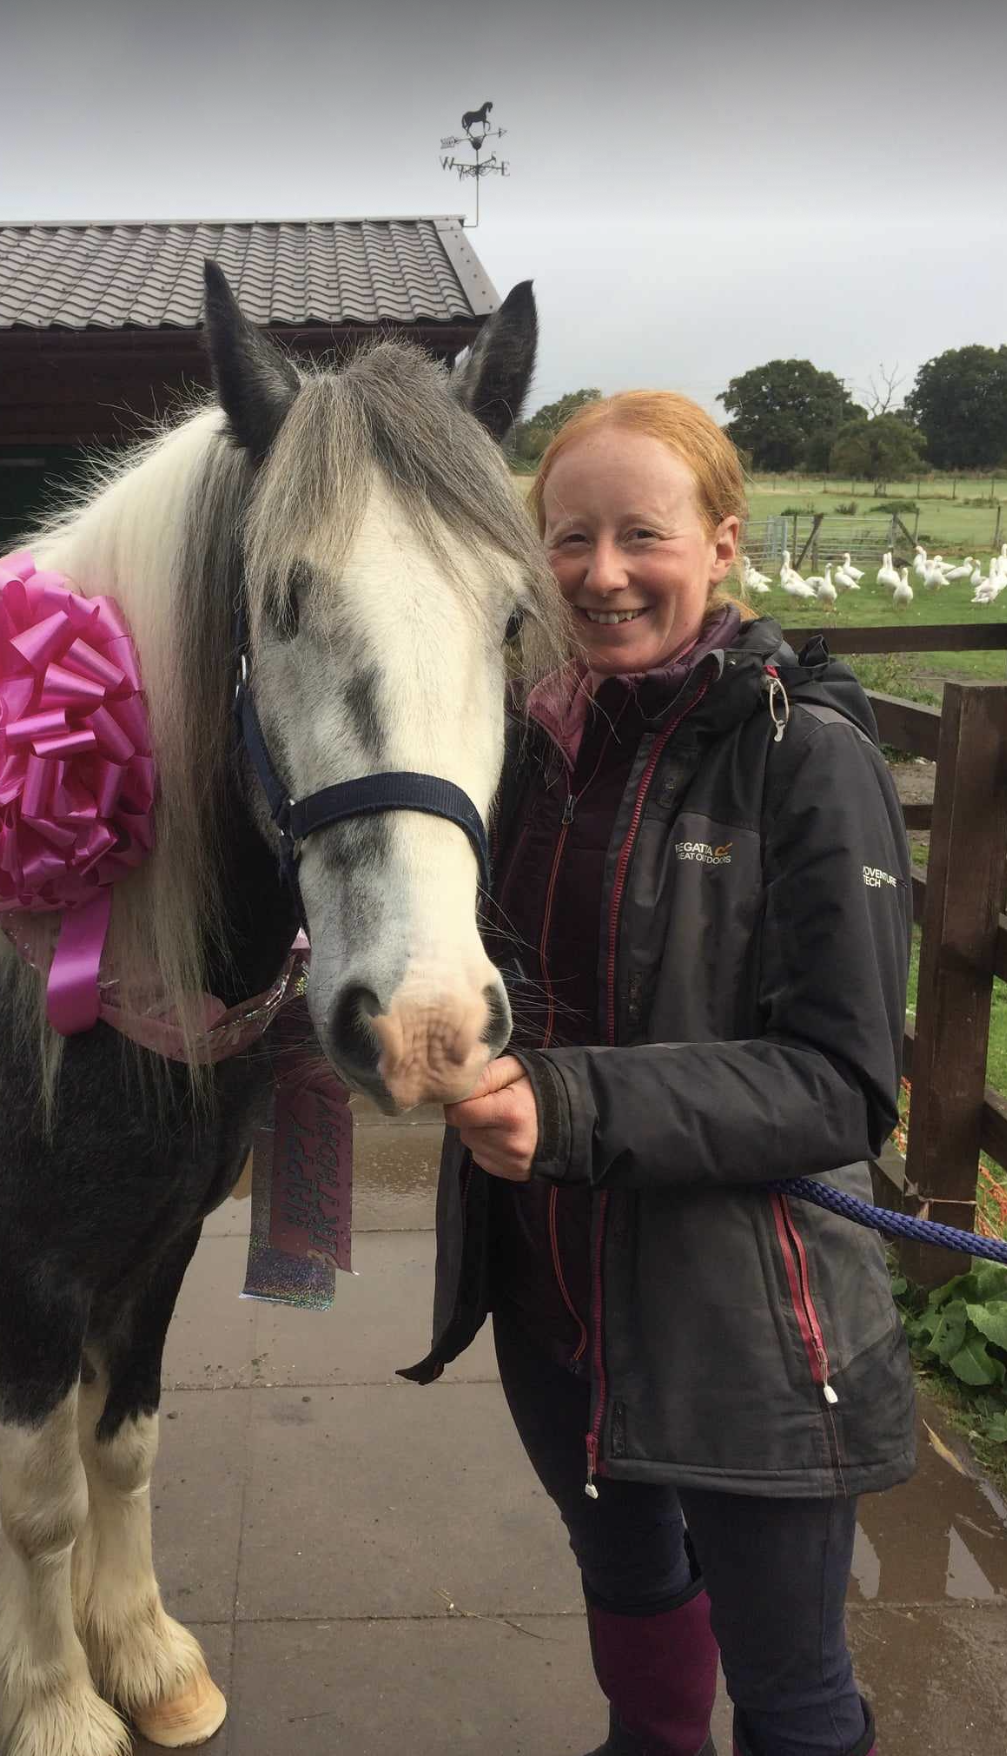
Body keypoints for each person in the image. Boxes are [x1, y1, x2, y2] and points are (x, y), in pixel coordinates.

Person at [401, 392, 914, 1756]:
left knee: (790, 1684)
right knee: (627, 1586)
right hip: (549, 1291)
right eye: (570, 537)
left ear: (722, 544)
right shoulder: (514, 747)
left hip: (746, 1320)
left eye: (642, 533)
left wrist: (566, 1105)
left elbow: (839, 1084)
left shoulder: (803, 753)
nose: (603, 571)